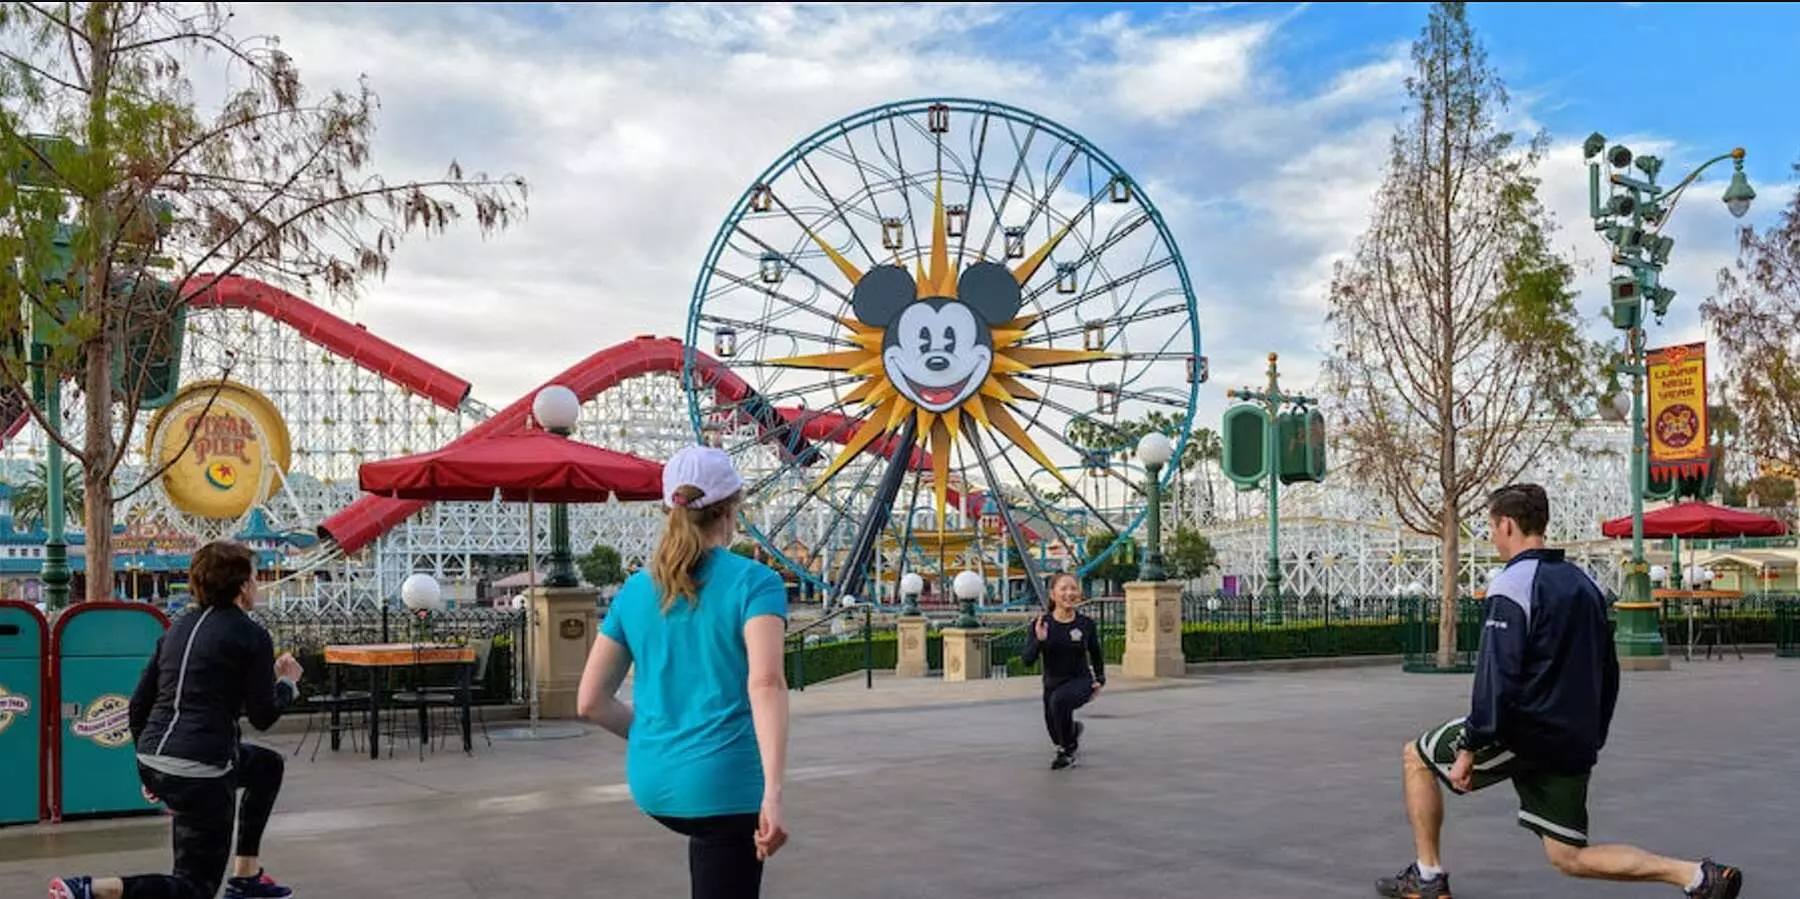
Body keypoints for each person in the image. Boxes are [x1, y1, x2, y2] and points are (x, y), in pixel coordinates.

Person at [1377, 483, 1743, 899]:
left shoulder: (1511, 583)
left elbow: (1497, 675)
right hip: (1571, 736)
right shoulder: (1584, 585)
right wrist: (1593, 735)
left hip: (1522, 729)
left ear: (1508, 524)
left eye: (1492, 527)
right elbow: (1608, 670)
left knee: (1416, 756)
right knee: (1569, 856)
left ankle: (1427, 877)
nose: (1492, 537)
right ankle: (1696, 877)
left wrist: (1470, 746)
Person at [577, 444, 791, 899]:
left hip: (653, 782)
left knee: (708, 847)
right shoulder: (756, 582)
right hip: (725, 784)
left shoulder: (634, 590)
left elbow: (591, 702)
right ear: (732, 508)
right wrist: (773, 792)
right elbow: (766, 682)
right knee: (717, 837)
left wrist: (660, 735)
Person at [51, 541, 302, 899]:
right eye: (254, 579)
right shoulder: (251, 635)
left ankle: (246, 876)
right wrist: (287, 685)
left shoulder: (178, 628)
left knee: (265, 766)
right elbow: (263, 716)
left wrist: (147, 772)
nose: (256, 586)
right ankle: (91, 889)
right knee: (194, 887)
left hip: (155, 757)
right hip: (201, 768)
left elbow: (138, 706)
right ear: (243, 585)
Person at [1020, 571, 1105, 770]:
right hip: (1052, 683)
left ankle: (1066, 752)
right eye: (1064, 588)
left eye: (1073, 588)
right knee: (1054, 725)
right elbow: (1026, 660)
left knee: (1060, 702)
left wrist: (1100, 679)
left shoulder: (1086, 624)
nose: (1069, 593)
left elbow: (1096, 653)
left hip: (1080, 680)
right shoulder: (1041, 624)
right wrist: (1039, 641)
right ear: (1053, 595)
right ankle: (1072, 733)